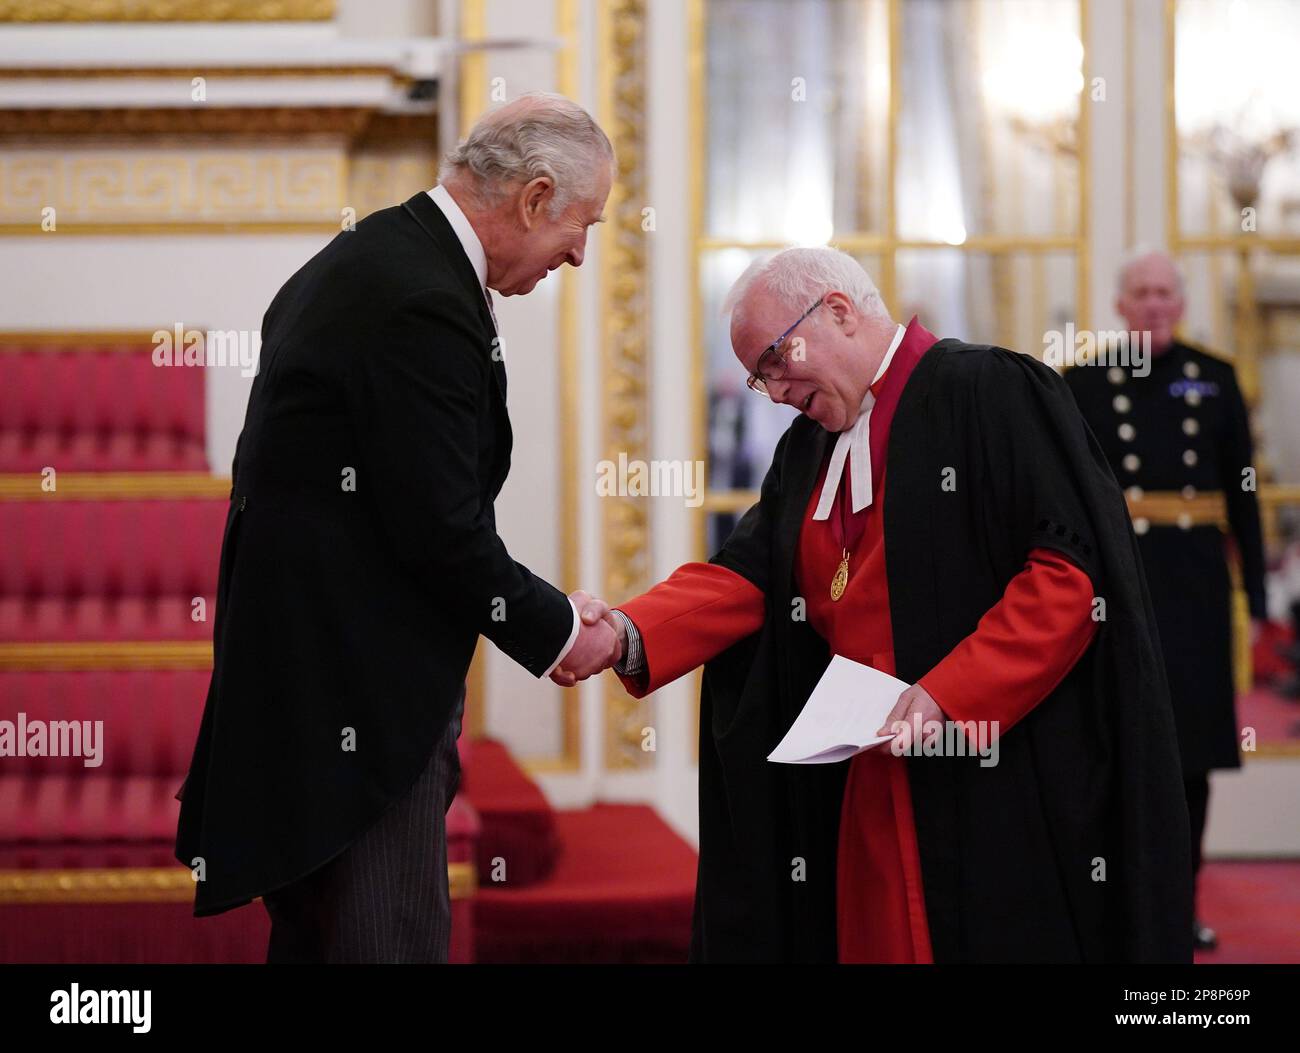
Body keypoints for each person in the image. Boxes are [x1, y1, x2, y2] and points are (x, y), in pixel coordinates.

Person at [565, 247, 1193, 963]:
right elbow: (748, 579)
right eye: (755, 375)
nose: (769, 391)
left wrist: (948, 696)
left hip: (993, 774)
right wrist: (622, 631)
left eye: (774, 360)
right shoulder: (809, 446)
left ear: (837, 310)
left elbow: (1067, 578)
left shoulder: (986, 389)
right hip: (869, 780)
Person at [174, 93, 621, 963]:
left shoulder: (372, 257)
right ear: (532, 197)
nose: (578, 253)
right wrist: (559, 627)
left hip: (314, 701)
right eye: (581, 223)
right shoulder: (418, 297)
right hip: (358, 718)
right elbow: (440, 529)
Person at [1064, 248, 1267, 951]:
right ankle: (1115, 906)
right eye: (1140, 293)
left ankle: (1179, 906)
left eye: (1164, 293)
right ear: (1120, 304)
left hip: (1194, 588)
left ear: (1179, 305)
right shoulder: (1083, 381)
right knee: (1114, 749)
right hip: (1116, 589)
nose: (1153, 304)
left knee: (1191, 756)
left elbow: (1241, 487)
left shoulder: (1214, 380)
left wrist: (1259, 594)